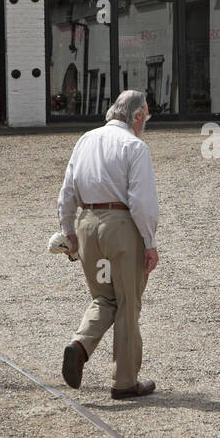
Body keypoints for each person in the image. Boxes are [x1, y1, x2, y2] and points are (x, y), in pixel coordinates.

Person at [57, 90, 160, 399]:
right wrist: (150, 243)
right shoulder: (135, 146)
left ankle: (80, 345)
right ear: (138, 116)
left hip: (88, 225)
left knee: (104, 297)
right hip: (121, 227)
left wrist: (68, 232)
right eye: (146, 118)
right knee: (128, 302)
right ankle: (125, 381)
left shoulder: (85, 140)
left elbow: (66, 192)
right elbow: (141, 202)